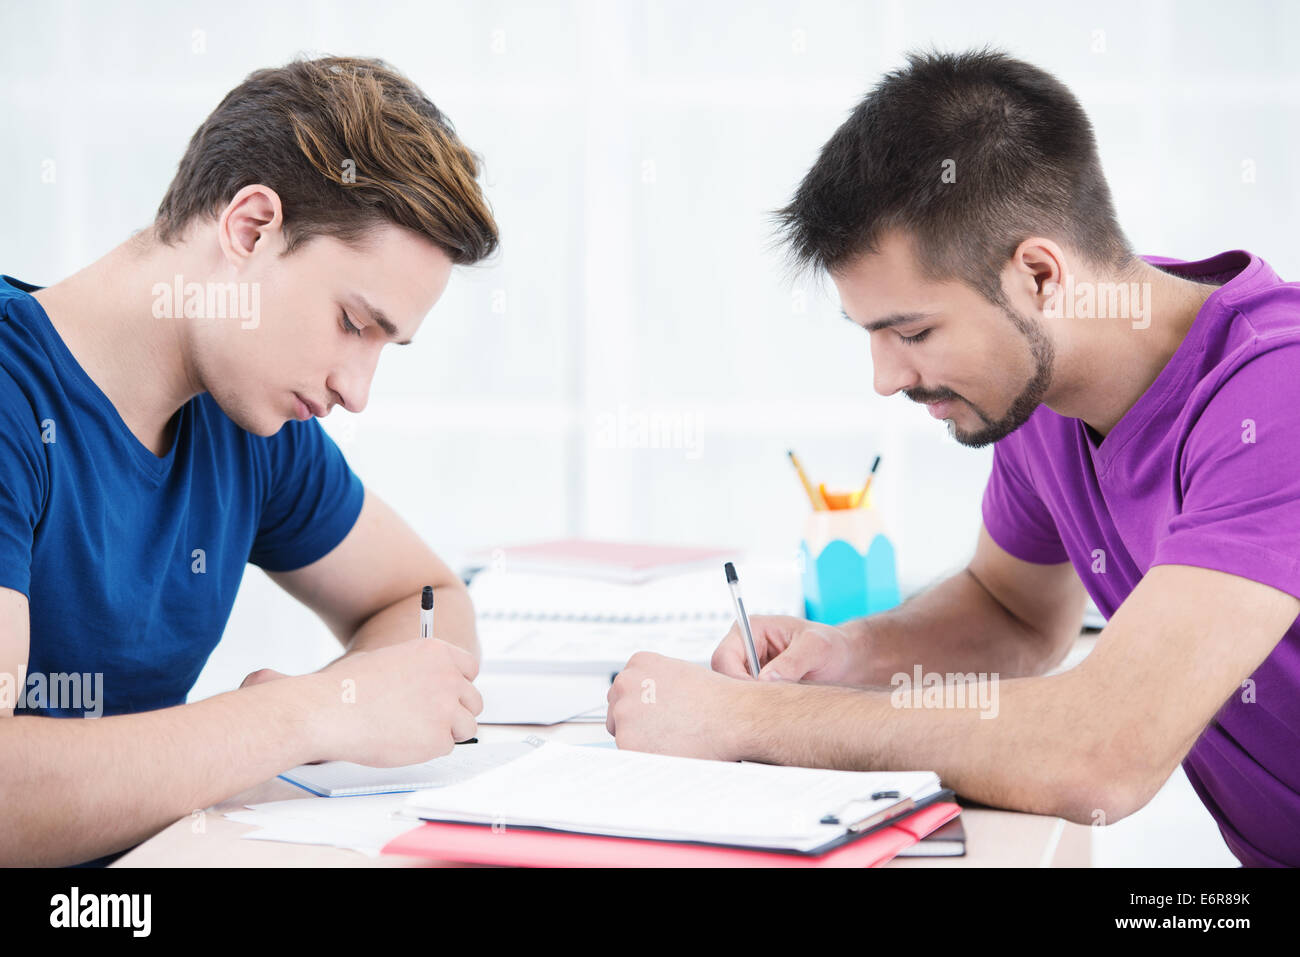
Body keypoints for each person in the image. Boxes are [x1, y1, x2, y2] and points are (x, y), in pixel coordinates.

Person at [606, 49, 1300, 867]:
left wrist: (741, 722)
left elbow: (1104, 751)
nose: (885, 377)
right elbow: (1011, 612)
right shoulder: (1044, 391)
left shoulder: (1276, 396)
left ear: (1039, 275)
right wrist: (847, 654)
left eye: (912, 332)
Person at [0, 56, 495, 866]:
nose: (357, 389)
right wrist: (307, 715)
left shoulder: (250, 422)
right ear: (251, 228)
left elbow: (427, 595)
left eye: (386, 346)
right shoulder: (13, 399)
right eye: (352, 322)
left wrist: (347, 704)